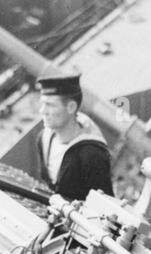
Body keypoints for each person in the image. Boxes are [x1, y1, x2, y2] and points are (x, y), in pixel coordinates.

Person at [35, 68, 113, 202]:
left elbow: (106, 206)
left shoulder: (92, 154)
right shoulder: (43, 139)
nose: (43, 111)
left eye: (50, 105)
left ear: (71, 107)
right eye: (42, 104)